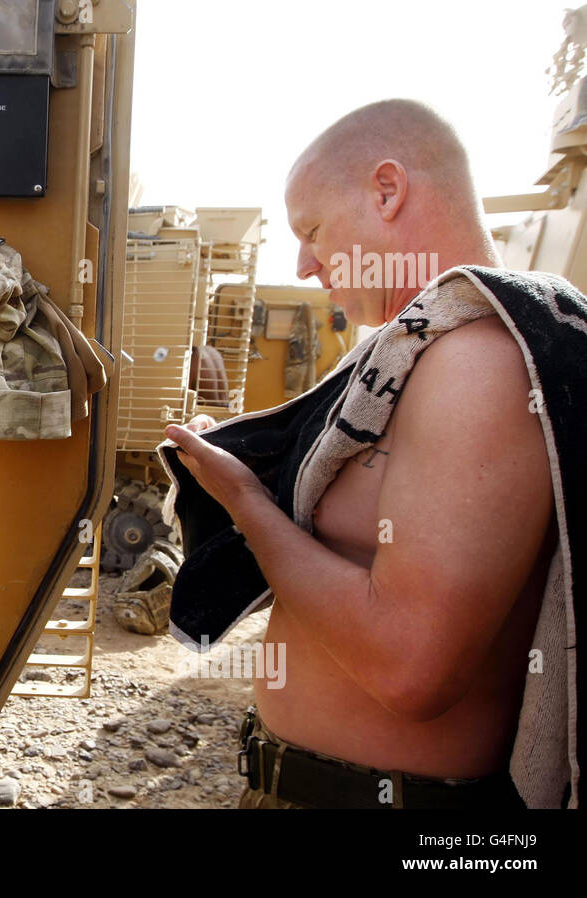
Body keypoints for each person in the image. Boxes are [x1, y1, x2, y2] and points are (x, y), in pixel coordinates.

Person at [165, 99, 556, 808]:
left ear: (387, 190)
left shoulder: (476, 365)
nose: (305, 263)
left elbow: (412, 668)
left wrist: (248, 506)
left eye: (311, 230)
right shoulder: (413, 355)